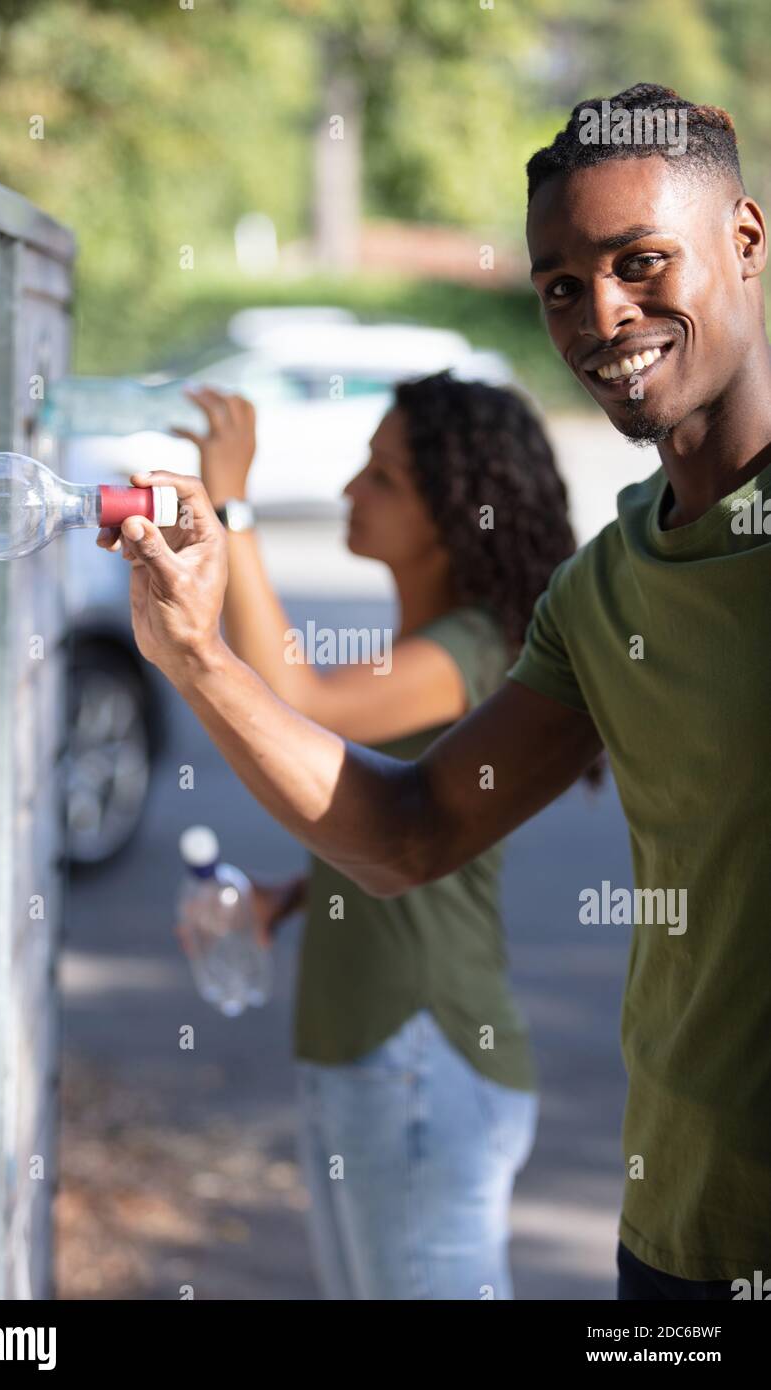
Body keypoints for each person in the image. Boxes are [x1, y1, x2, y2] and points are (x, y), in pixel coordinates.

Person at [100, 83, 771, 1301]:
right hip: (674, 1237)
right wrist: (194, 655)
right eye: (559, 285)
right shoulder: (598, 594)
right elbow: (406, 831)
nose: (601, 314)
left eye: (639, 261)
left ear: (743, 239)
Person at [101, 371, 585, 1300]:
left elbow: (298, 704)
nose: (349, 490)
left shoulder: (472, 649)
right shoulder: (427, 641)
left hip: (420, 1049)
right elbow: (384, 826)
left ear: (454, 515)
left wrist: (230, 505)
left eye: (384, 477)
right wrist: (290, 896)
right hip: (371, 1047)